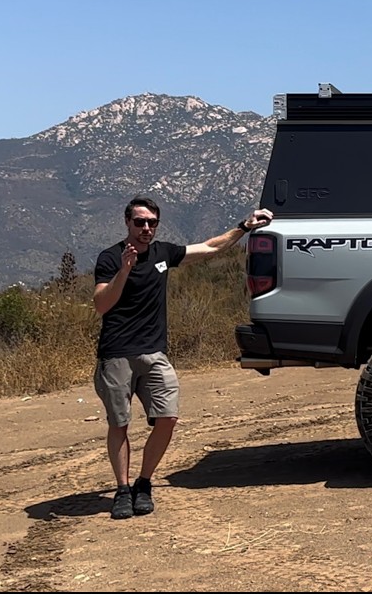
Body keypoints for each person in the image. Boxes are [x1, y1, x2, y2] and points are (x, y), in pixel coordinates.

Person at [93, 196, 273, 519]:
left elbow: (209, 248)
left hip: (154, 354)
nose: (146, 228)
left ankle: (143, 483)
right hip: (117, 354)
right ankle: (122, 490)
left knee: (168, 417)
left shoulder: (164, 253)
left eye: (151, 223)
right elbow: (102, 304)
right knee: (119, 423)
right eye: (139, 222)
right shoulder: (110, 258)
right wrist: (125, 270)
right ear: (127, 223)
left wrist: (244, 227)